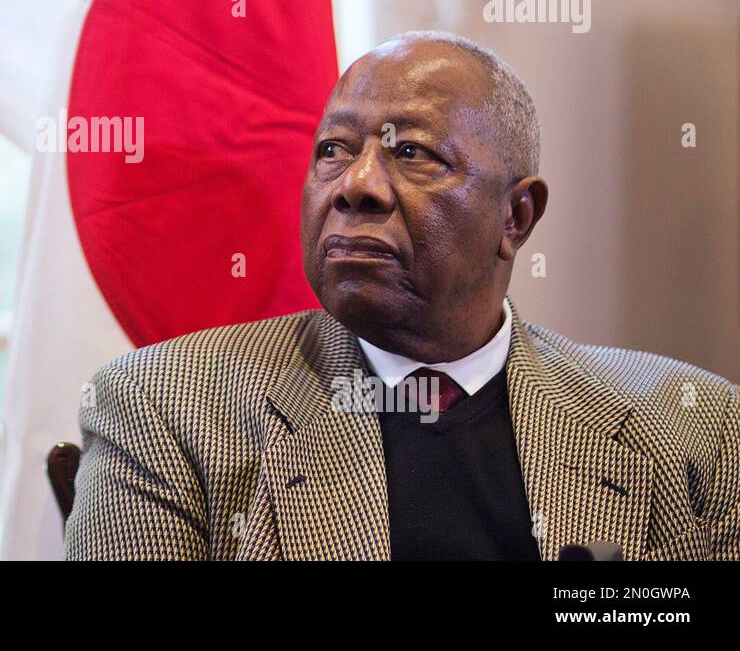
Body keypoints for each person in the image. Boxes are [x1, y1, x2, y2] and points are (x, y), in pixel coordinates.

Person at [64, 31, 739, 560]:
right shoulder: (165, 409)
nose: (356, 185)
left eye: (412, 154)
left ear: (517, 217)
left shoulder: (697, 426)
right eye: (334, 148)